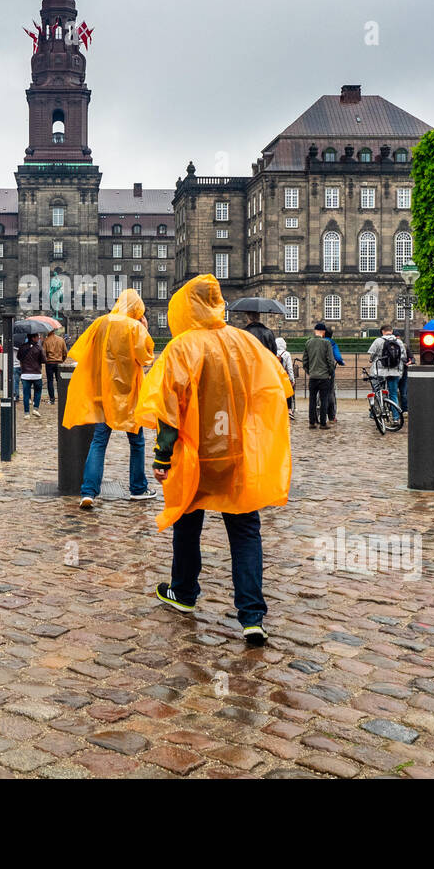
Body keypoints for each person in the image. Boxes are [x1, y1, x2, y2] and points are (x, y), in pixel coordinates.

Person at [136, 274, 293, 647]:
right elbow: (272, 391)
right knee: (244, 531)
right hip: (236, 453)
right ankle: (252, 615)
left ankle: (184, 592)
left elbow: (168, 409)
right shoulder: (245, 343)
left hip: (195, 454)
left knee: (187, 525)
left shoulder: (181, 348)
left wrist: (162, 455)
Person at [62, 289, 157, 508]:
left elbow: (83, 350)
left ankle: (88, 492)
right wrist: (144, 329)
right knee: (137, 442)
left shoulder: (101, 322)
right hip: (128, 395)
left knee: (99, 441)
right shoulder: (134, 327)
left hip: (103, 392)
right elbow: (146, 358)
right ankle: (138, 488)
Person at [366, 325, 407, 409]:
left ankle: (375, 412)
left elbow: (372, 354)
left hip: (379, 371)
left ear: (382, 332)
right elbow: (403, 357)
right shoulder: (399, 342)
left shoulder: (378, 341)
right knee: (393, 394)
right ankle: (395, 417)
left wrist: (371, 360)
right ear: (391, 331)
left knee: (377, 392)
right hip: (394, 371)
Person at [302, 323, 334, 429]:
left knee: (312, 400)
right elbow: (330, 360)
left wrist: (309, 371)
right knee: (324, 399)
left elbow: (305, 361)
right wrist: (330, 372)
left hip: (313, 376)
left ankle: (312, 422)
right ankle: (323, 423)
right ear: (324, 332)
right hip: (324, 377)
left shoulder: (308, 342)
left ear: (314, 331)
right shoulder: (326, 343)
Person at [18, 333, 46, 417]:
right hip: (36, 373)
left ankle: (26, 413)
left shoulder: (22, 347)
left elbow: (18, 357)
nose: (39, 338)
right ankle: (35, 408)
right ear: (33, 338)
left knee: (26, 394)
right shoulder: (39, 348)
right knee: (38, 392)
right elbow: (44, 360)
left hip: (25, 374)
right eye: (37, 336)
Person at [323, 326, 345, 424]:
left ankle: (314, 417)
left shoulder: (316, 342)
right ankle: (331, 417)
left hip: (316, 371)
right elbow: (338, 357)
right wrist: (341, 362)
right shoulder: (332, 343)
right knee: (330, 393)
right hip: (328, 371)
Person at [42, 328, 67, 404]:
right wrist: (62, 360)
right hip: (59, 362)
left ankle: (52, 399)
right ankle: (61, 398)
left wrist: (46, 360)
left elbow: (43, 354)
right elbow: (65, 352)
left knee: (50, 381)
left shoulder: (46, 340)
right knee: (59, 381)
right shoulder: (61, 340)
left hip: (49, 363)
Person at [274, 337, 296, 419]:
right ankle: (289, 410)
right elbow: (290, 368)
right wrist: (292, 379)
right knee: (288, 392)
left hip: (275, 377)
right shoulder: (286, 354)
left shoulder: (272, 353)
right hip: (284, 377)